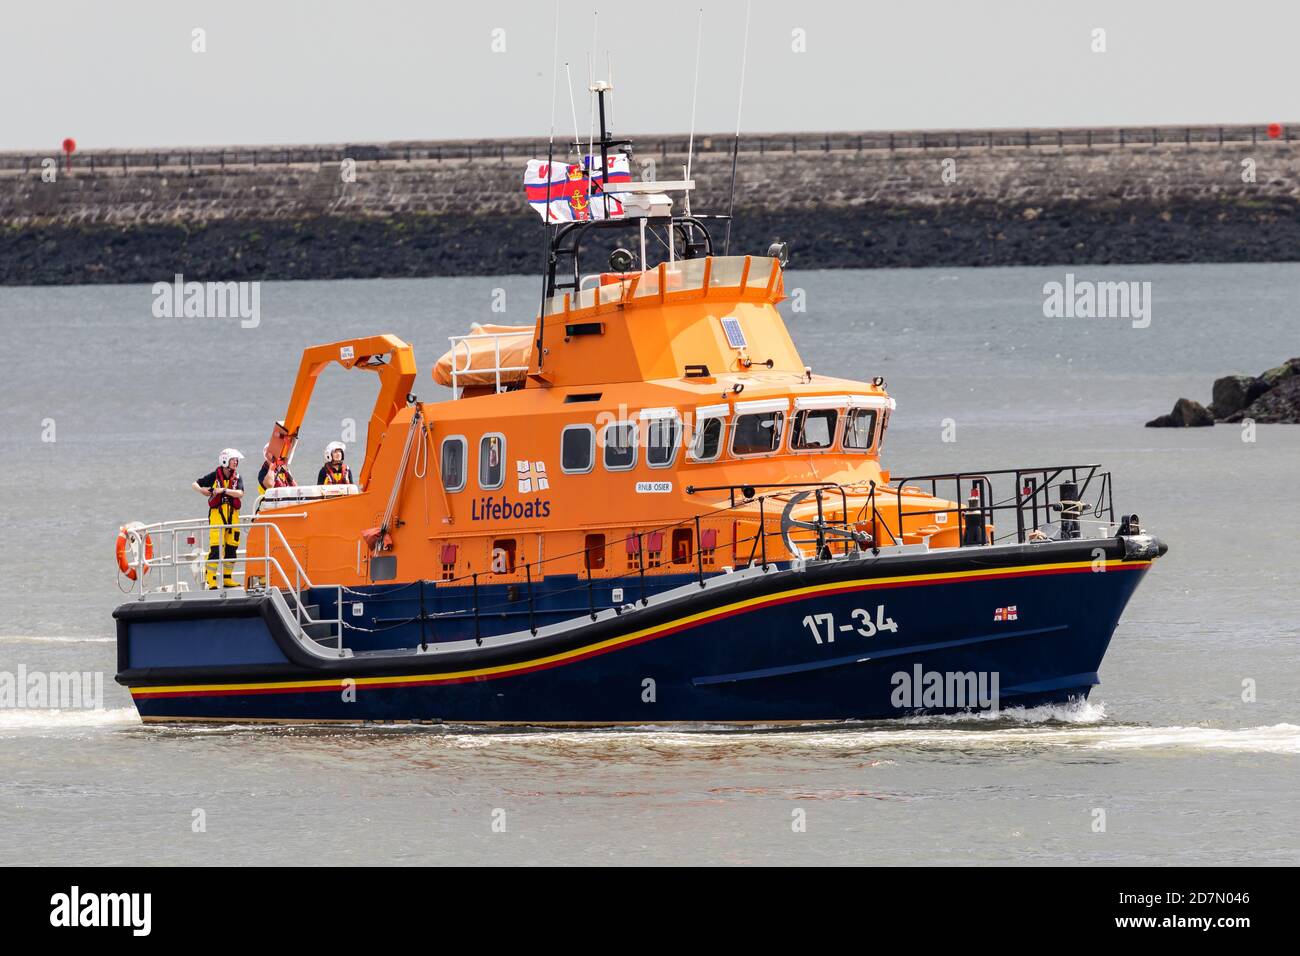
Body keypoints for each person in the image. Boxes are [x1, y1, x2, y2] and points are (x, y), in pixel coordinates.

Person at [193, 448, 245, 589]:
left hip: (232, 516)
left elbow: (240, 493)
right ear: (225, 460)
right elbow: (195, 483)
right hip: (217, 516)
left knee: (231, 548)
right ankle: (211, 579)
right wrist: (202, 490)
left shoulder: (237, 477)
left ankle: (227, 578)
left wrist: (224, 490)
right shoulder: (214, 476)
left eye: (236, 460)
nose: (236, 462)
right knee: (216, 548)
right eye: (234, 460)